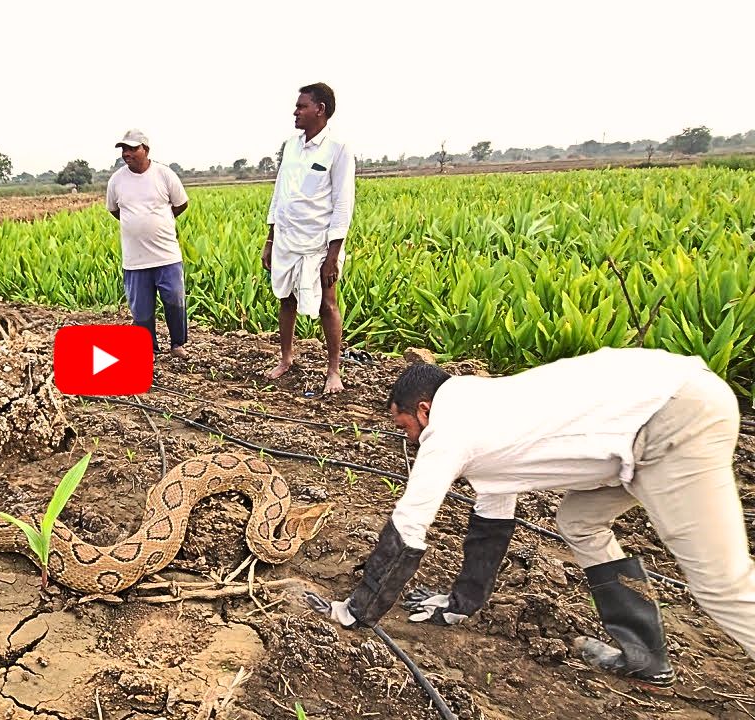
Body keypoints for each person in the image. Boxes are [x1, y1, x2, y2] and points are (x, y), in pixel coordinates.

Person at [318, 347, 754, 688]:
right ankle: (645, 656)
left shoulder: (448, 431)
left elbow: (410, 524)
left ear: (424, 410)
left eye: (405, 428)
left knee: (721, 584)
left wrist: (357, 611)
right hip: (647, 416)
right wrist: (460, 604)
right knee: (579, 522)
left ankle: (657, 650)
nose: (410, 441)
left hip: (672, 415)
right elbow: (493, 516)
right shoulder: (478, 404)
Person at [262, 82, 356, 393]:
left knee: (328, 303)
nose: (295, 111)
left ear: (320, 109)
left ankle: (333, 370)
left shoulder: (338, 149)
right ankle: (286, 358)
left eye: (302, 106)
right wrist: (270, 239)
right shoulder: (291, 146)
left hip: (318, 243)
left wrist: (333, 255)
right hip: (287, 239)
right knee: (286, 298)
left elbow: (343, 204)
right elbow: (279, 195)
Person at [106, 129, 190, 358]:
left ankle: (177, 344)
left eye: (132, 148)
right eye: (124, 149)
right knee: (141, 310)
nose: (127, 153)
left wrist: (160, 222)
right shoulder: (116, 180)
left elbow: (181, 204)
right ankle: (148, 348)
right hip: (135, 259)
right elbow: (114, 210)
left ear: (146, 149)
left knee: (174, 300)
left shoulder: (164, 174)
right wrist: (136, 224)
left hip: (166, 255)